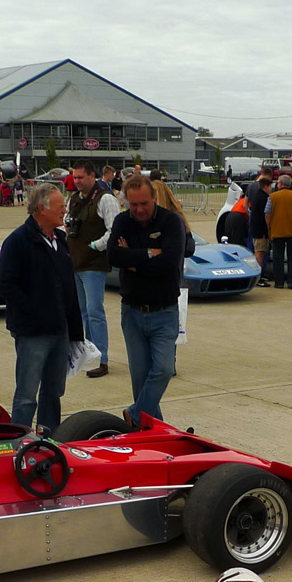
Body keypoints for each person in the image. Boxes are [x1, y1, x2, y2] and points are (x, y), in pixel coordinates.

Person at [0, 182, 83, 432]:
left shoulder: (61, 240)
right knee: (26, 394)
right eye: (60, 206)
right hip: (33, 332)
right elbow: (5, 285)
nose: (64, 210)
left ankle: (48, 438)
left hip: (60, 330)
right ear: (42, 210)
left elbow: (69, 287)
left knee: (53, 392)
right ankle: (19, 441)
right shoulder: (18, 241)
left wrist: (75, 332)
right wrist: (35, 311)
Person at [106, 175, 185, 428]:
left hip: (164, 312)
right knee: (140, 380)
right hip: (132, 313)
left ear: (153, 198)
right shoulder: (122, 221)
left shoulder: (171, 222)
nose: (139, 209)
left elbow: (170, 263)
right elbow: (113, 256)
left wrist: (134, 262)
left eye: (144, 203)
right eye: (133, 204)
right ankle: (152, 430)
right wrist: (150, 254)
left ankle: (136, 415)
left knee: (162, 369)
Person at [66, 160, 120, 378]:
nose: (77, 181)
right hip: (75, 262)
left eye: (80, 177)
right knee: (82, 312)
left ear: (92, 176)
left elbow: (114, 230)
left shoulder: (105, 198)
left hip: (94, 264)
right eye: (75, 178)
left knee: (95, 312)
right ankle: (87, 355)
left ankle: (102, 359)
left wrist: (93, 246)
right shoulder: (75, 199)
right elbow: (67, 220)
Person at [265, 174, 292, 289]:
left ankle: (279, 282)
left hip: (277, 231)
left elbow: (267, 214)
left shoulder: (272, 197)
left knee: (278, 258)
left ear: (280, 184)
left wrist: (269, 227)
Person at [246, 166, 275, 284]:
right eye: (270, 187)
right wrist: (268, 228)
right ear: (266, 186)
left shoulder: (257, 196)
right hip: (260, 231)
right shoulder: (263, 198)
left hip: (255, 229)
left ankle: (257, 276)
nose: (270, 189)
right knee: (260, 252)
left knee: (257, 251)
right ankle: (257, 276)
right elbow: (265, 215)